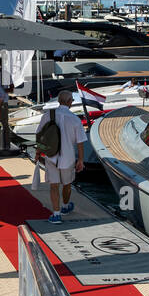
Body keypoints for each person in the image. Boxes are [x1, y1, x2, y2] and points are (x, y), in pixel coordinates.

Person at [37, 90, 87, 225]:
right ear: (70, 102)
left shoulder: (48, 115)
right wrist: (81, 160)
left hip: (51, 155)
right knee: (67, 184)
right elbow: (80, 142)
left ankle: (56, 214)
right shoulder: (75, 119)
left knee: (54, 186)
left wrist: (38, 153)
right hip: (68, 157)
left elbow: (39, 135)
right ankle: (65, 206)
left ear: (58, 101)